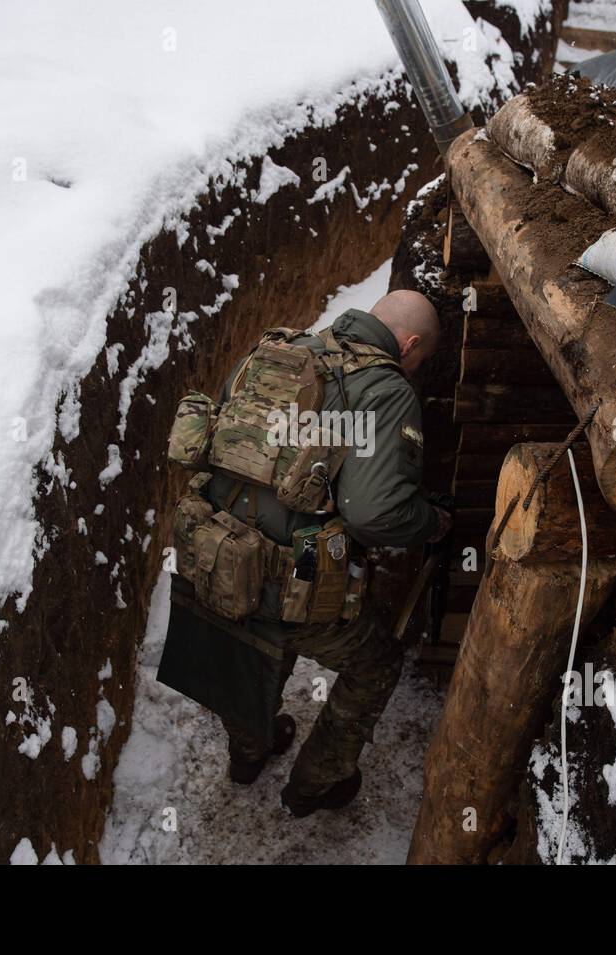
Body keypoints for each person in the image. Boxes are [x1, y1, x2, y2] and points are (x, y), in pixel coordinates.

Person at [172, 289, 450, 817]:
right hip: (289, 575)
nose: (415, 368)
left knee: (251, 638)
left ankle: (248, 753)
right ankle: (315, 783)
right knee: (374, 663)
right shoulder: (385, 390)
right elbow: (373, 512)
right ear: (409, 344)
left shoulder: (277, 350)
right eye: (420, 358)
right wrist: (429, 522)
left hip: (215, 552)